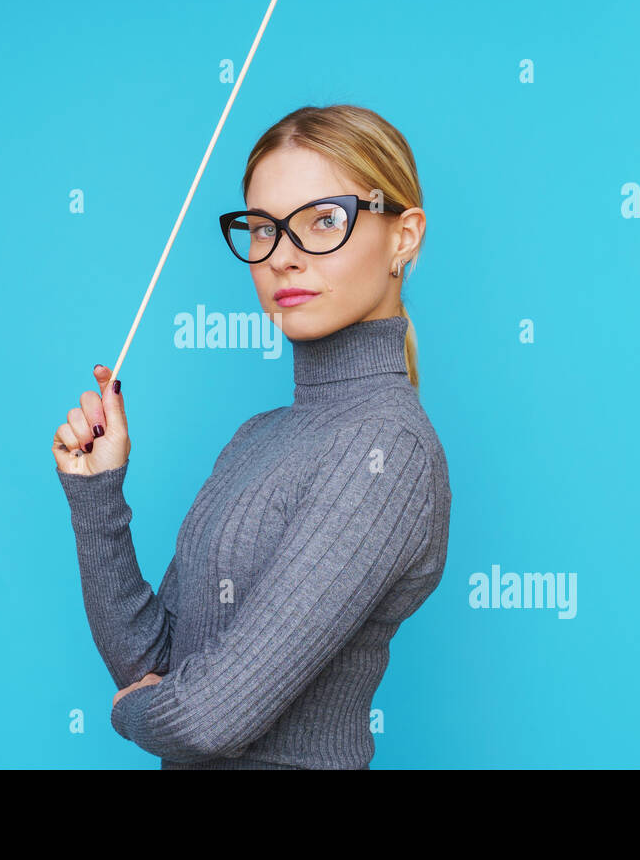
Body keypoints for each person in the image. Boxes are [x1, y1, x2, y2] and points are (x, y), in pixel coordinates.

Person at [52, 104, 451, 769]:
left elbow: (207, 719)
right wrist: (97, 497)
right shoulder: (259, 435)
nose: (283, 258)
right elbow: (155, 663)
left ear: (403, 236)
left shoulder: (386, 449)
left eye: (324, 220)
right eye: (265, 228)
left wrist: (128, 712)